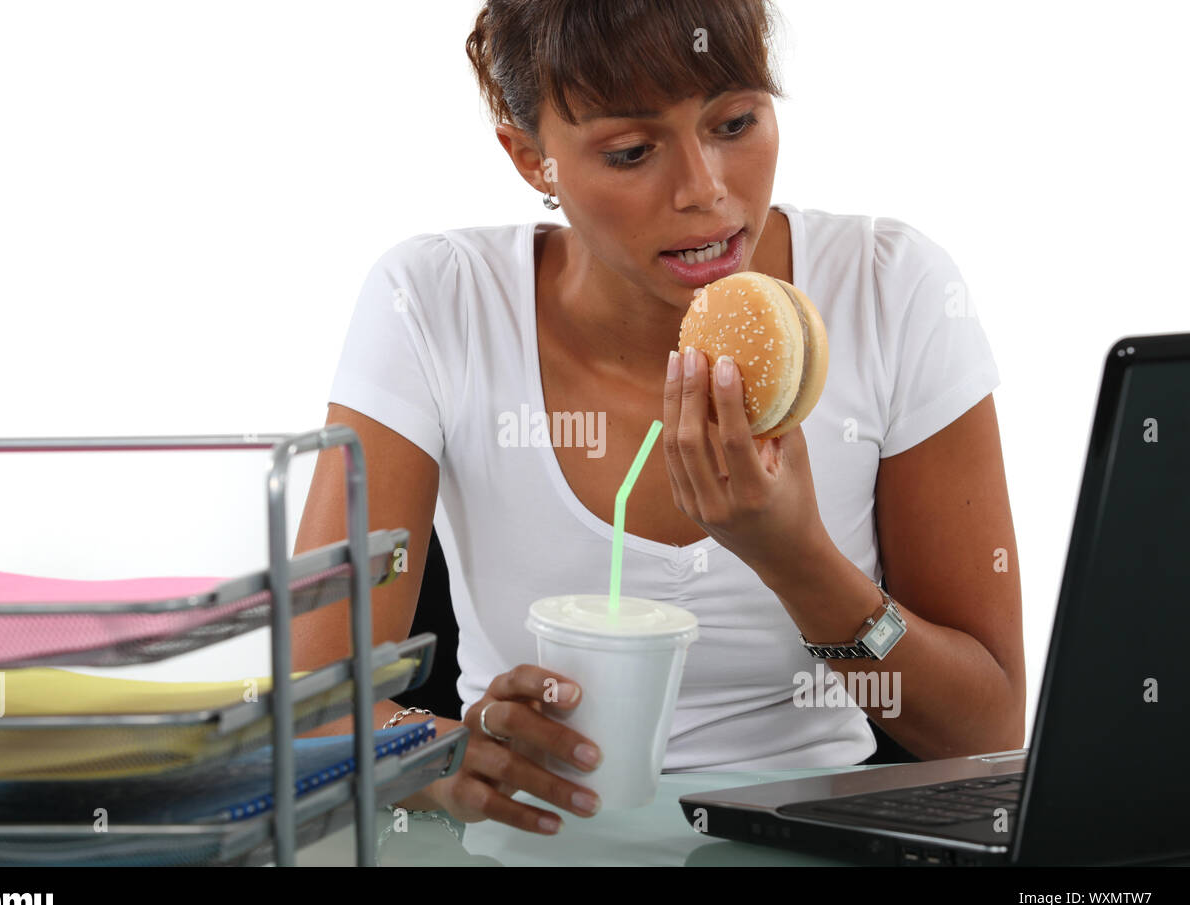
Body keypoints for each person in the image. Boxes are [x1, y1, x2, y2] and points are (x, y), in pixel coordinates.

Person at [292, 0, 1024, 836]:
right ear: (532, 158)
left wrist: (800, 562)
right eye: (632, 151)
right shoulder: (434, 302)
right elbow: (311, 710)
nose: (705, 189)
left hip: (815, 840)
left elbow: (989, 731)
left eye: (737, 121)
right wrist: (445, 757)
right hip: (531, 843)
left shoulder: (892, 290)